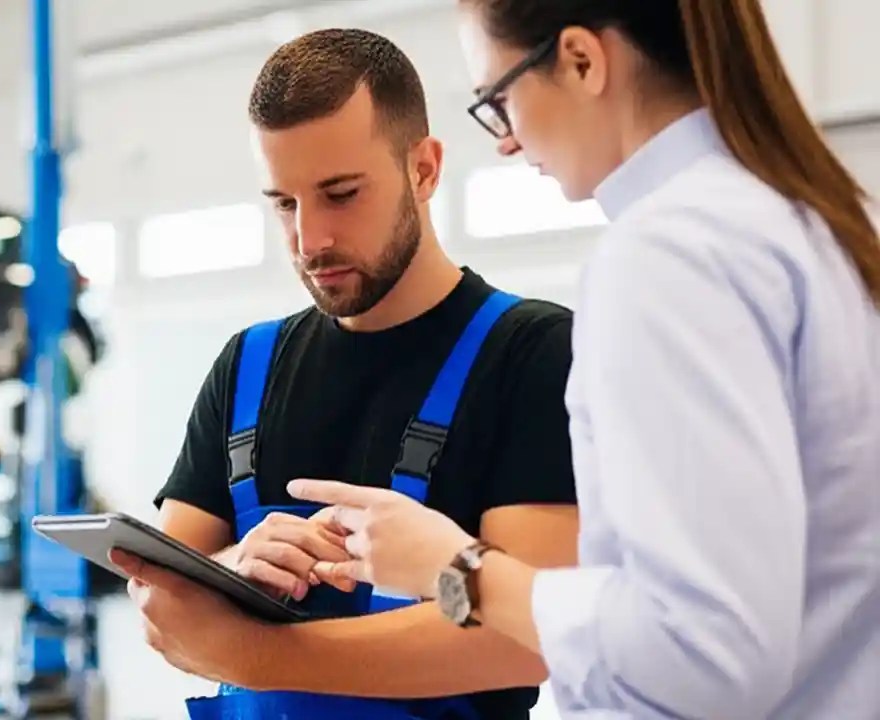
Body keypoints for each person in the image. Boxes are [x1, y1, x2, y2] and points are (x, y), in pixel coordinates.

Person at [290, 1, 880, 718]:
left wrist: (458, 568)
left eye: (498, 99)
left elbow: (705, 653)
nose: (505, 141)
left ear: (581, 60)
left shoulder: (669, 254)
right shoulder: (811, 225)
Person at [109, 28, 581, 720]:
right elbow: (160, 602)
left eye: (340, 193)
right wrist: (235, 565)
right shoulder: (246, 367)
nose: (310, 240)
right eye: (284, 203)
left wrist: (252, 653)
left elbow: (522, 639)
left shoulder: (532, 355)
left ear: (423, 170)